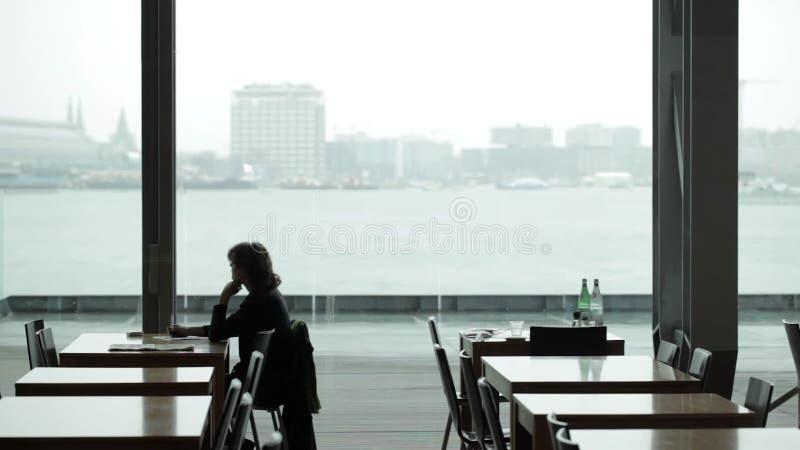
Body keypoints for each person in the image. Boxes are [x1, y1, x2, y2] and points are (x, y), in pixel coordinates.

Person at [170, 241, 291, 406]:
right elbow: (226, 328)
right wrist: (187, 330)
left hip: (254, 385)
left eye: (232, 264)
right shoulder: (269, 295)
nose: (231, 269)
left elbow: (217, 333)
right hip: (268, 380)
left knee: (194, 385)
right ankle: (222, 430)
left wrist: (224, 296)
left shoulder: (257, 302)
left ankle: (212, 431)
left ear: (245, 269)